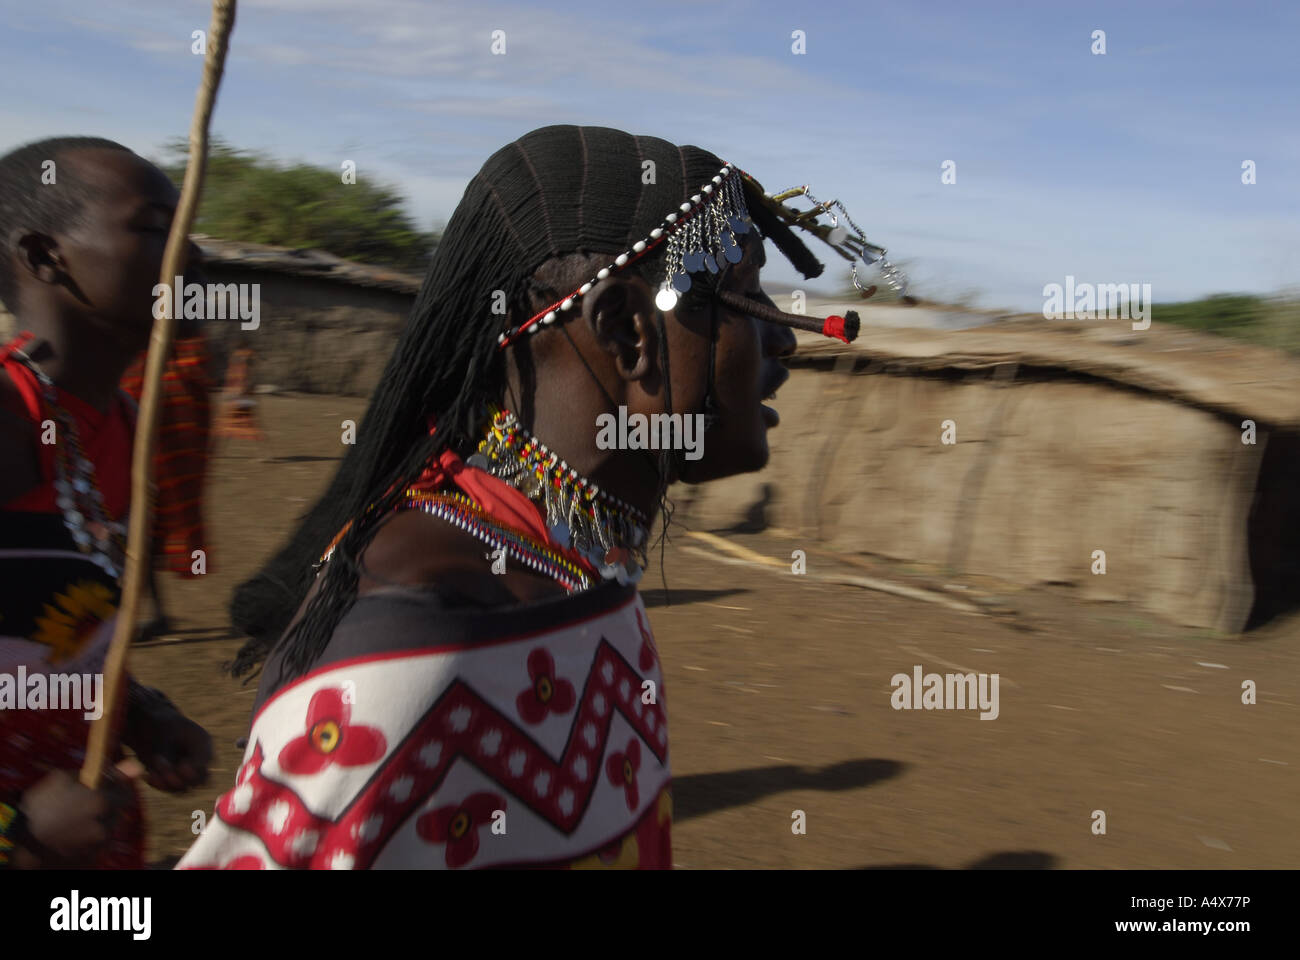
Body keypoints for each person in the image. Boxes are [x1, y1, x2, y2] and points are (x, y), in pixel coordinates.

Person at [184, 124, 865, 870]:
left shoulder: (576, 560)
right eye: (744, 297)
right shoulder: (419, 637)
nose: (789, 340)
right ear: (628, 333)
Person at [0, 136, 213, 868]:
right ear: (45, 256)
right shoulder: (9, 418)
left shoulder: (127, 427)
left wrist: (137, 713)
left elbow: (47, 646)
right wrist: (14, 831)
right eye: (156, 226)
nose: (191, 253)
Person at [120, 329, 216, 640]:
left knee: (138, 541)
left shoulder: (173, 366)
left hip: (157, 469)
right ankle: (150, 614)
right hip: (146, 466)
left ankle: (138, 616)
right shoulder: (149, 361)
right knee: (136, 543)